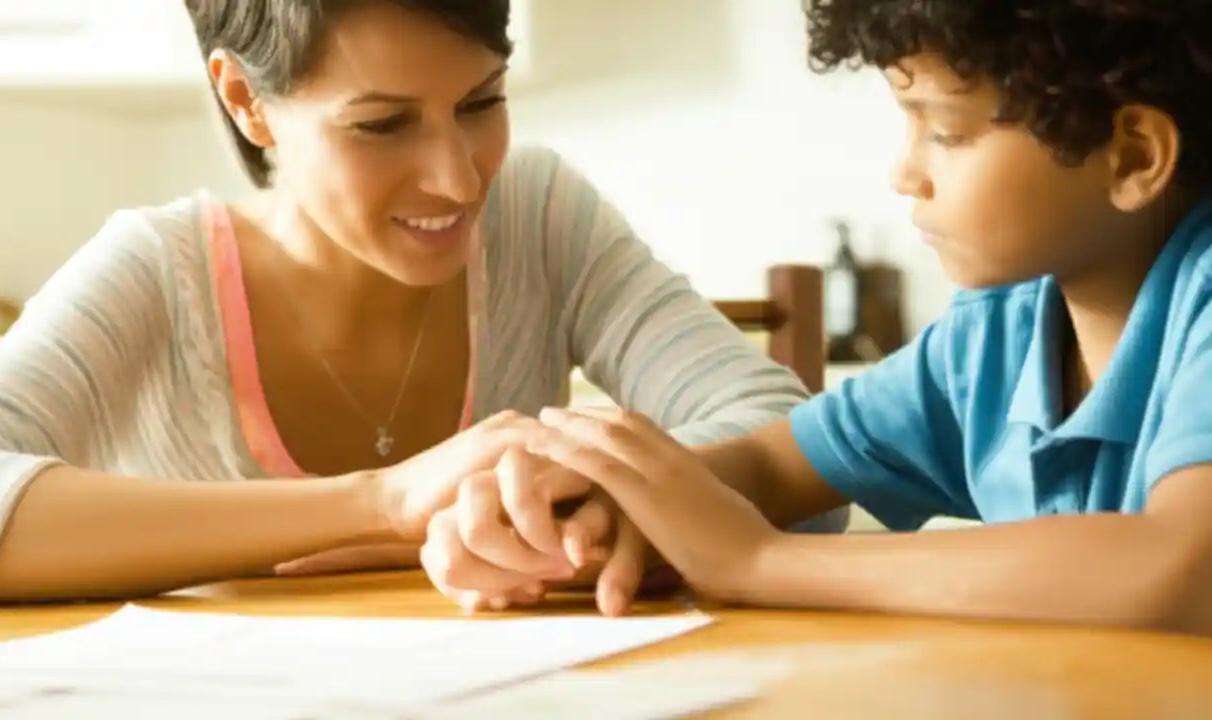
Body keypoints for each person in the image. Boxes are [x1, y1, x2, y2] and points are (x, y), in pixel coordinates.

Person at [0, 0, 846, 606]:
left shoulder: (538, 215)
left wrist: (602, 503)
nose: (459, 179)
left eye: (482, 103)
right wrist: (384, 503)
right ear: (246, 101)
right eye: (381, 124)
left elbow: (791, 442)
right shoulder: (155, 270)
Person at [511, 0, 1212, 634]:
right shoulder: (992, 338)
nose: (904, 174)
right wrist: (602, 503)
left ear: (1133, 156)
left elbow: (1183, 568)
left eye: (946, 132)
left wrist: (759, 562)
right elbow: (771, 464)